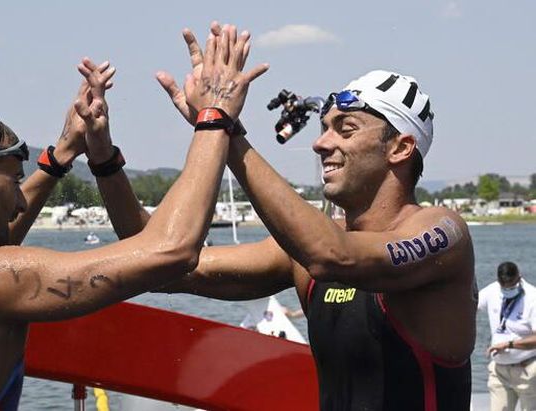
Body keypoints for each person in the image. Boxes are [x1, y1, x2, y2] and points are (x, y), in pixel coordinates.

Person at [0, 29, 268, 410]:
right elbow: (171, 250)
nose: (21, 205)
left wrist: (62, 153)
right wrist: (215, 116)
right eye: (12, 182)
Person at [93, 22, 476, 410]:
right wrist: (104, 159)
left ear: (400, 147)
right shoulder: (303, 255)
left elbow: (333, 255)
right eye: (325, 128)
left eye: (345, 129)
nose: (320, 143)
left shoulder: (444, 233)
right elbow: (158, 259)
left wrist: (224, 127)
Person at [478, 261, 536, 411]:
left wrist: (509, 345)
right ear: (499, 281)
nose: (508, 289)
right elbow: (471, 306)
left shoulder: (532, 297)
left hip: (528, 370)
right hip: (499, 370)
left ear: (519, 277)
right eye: (505, 286)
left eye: (512, 285)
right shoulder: (493, 291)